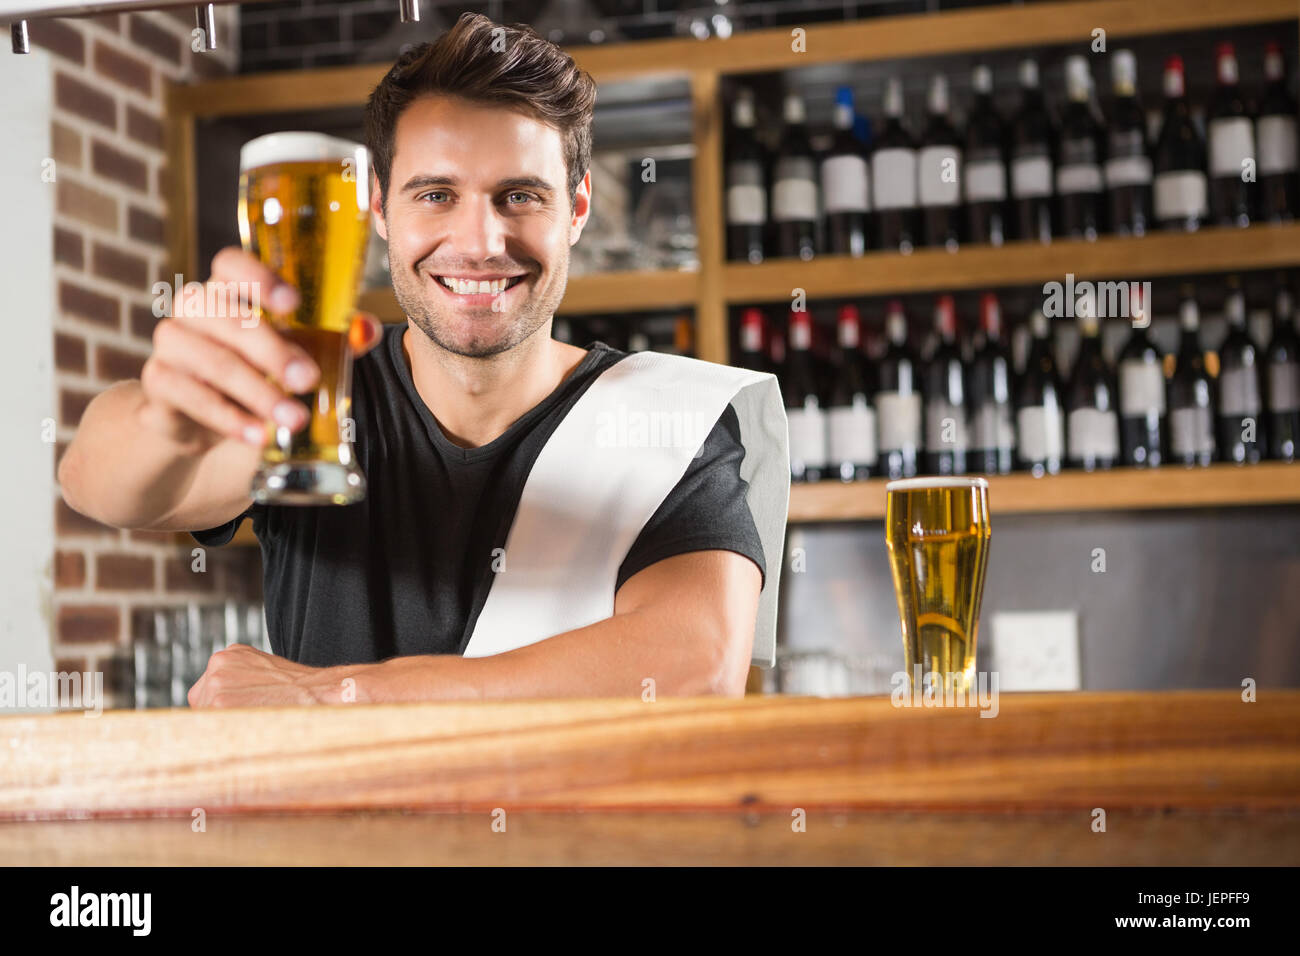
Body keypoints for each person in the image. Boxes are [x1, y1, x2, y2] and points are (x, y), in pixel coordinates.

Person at [57, 13, 787, 708]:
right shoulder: (315, 404)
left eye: (520, 196)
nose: (479, 240)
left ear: (577, 209)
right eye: (436, 194)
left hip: (568, 844)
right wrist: (169, 417)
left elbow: (695, 665)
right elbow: (95, 482)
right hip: (345, 845)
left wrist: (337, 697)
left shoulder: (666, 421)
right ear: (379, 209)